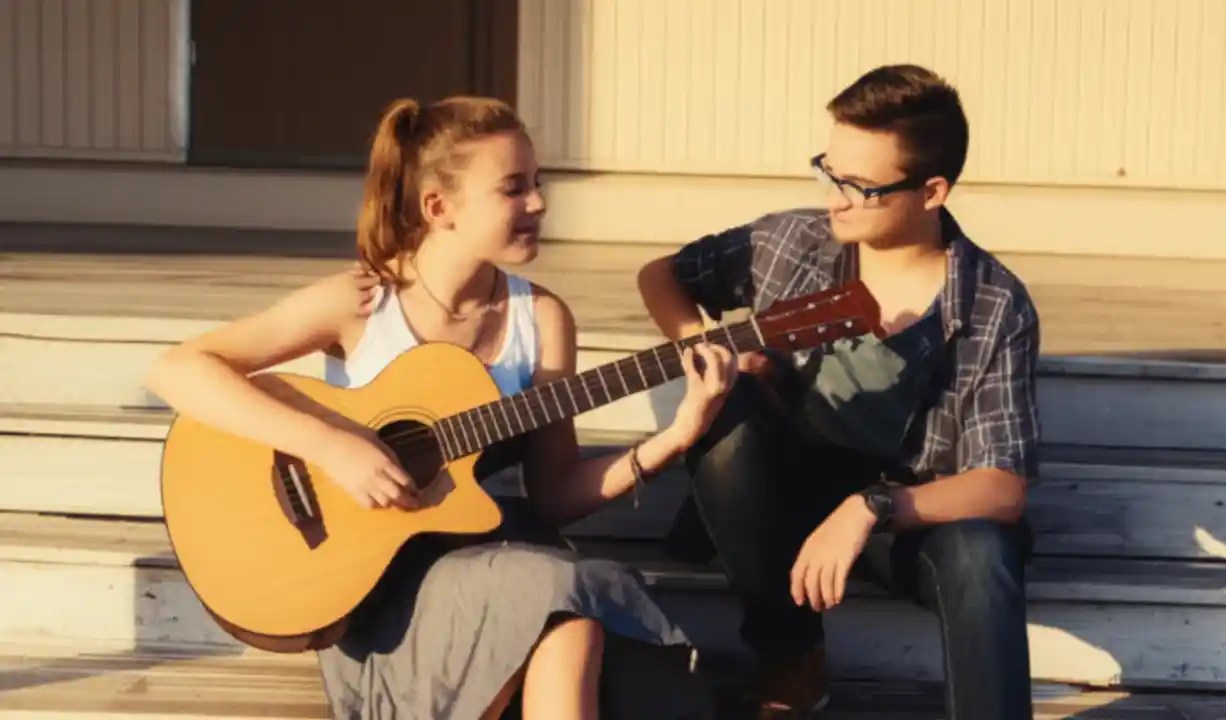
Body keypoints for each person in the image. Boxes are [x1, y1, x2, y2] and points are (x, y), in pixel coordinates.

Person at [145, 95, 737, 720]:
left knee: (573, 619)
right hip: (379, 578)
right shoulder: (364, 303)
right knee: (567, 595)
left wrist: (676, 437)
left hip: (500, 550)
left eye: (537, 184)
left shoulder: (542, 318)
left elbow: (557, 494)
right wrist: (332, 446)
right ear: (438, 207)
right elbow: (178, 369)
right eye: (512, 188)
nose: (537, 202)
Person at [637, 64, 1040, 720]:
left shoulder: (992, 302)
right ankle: (792, 661)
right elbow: (665, 275)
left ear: (932, 191)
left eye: (861, 186)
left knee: (983, 550)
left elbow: (1003, 485)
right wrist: (698, 345)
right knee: (727, 415)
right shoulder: (790, 241)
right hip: (778, 503)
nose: (836, 199)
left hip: (903, 518)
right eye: (829, 171)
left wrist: (870, 506)